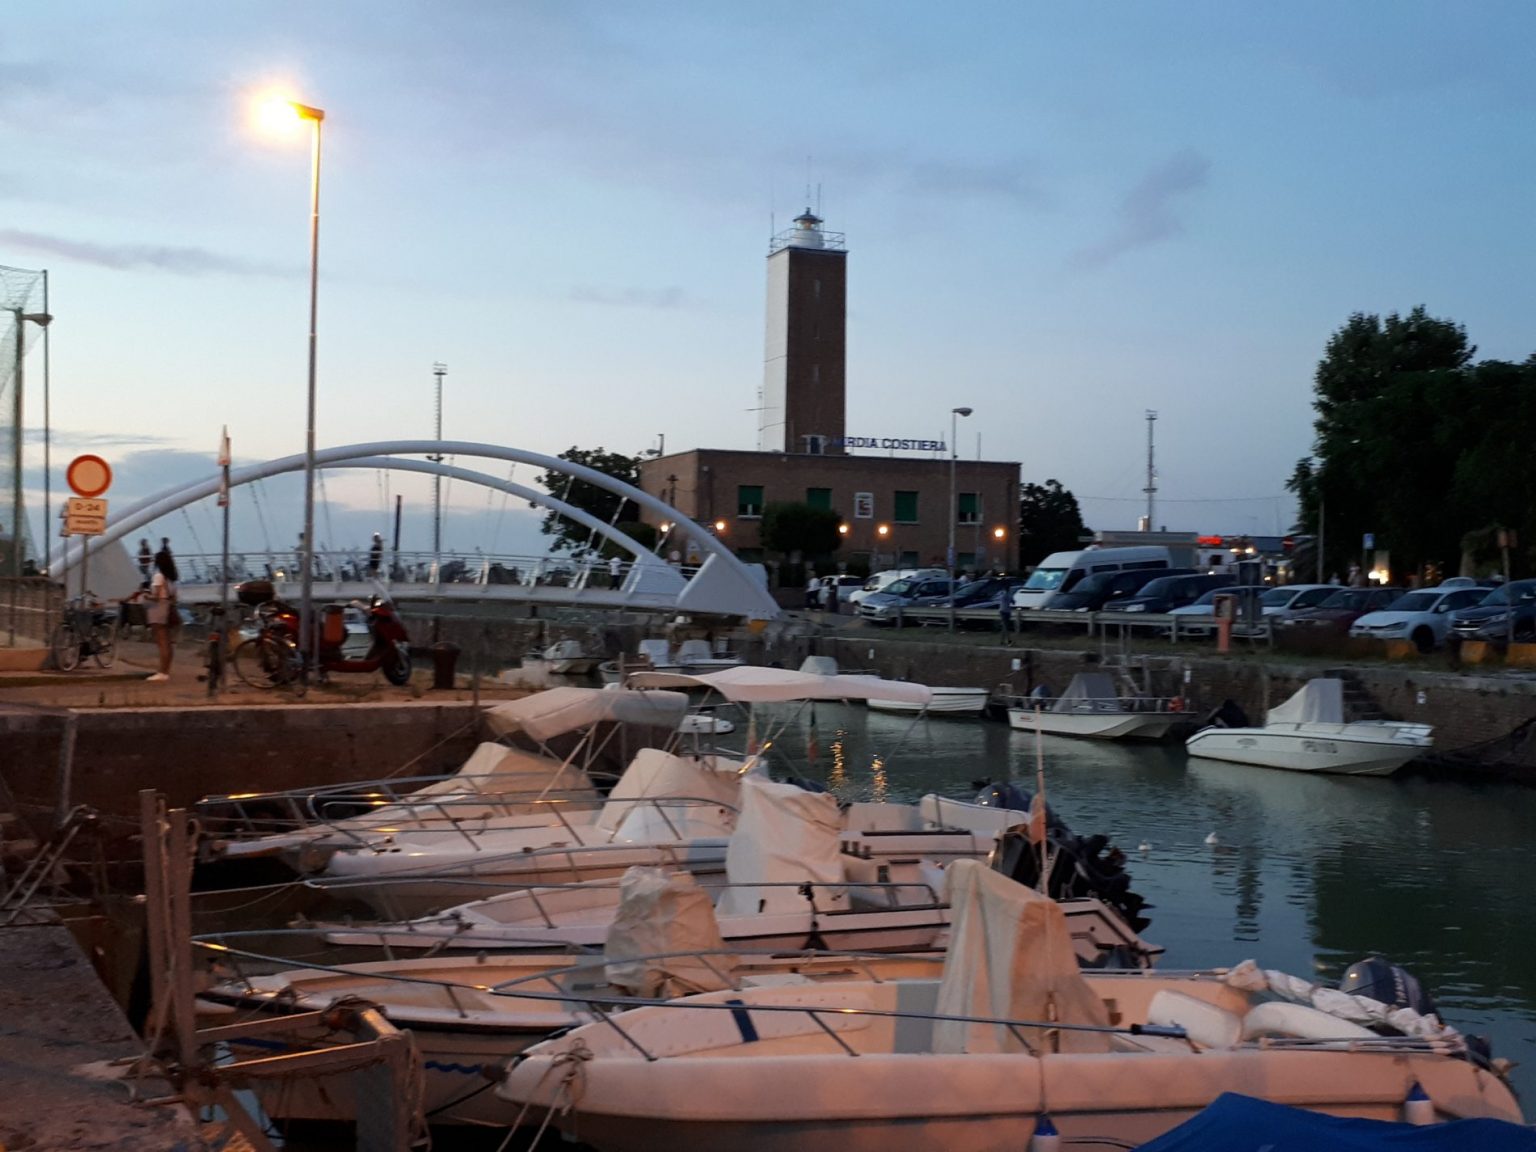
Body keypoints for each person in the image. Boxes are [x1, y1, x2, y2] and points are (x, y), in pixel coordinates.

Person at [145, 547, 180, 682]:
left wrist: (146, 596)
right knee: (167, 642)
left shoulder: (159, 576)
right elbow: (174, 598)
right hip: (168, 608)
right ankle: (166, 670)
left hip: (158, 609)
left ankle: (162, 672)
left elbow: (155, 596)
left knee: (161, 641)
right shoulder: (171, 579)